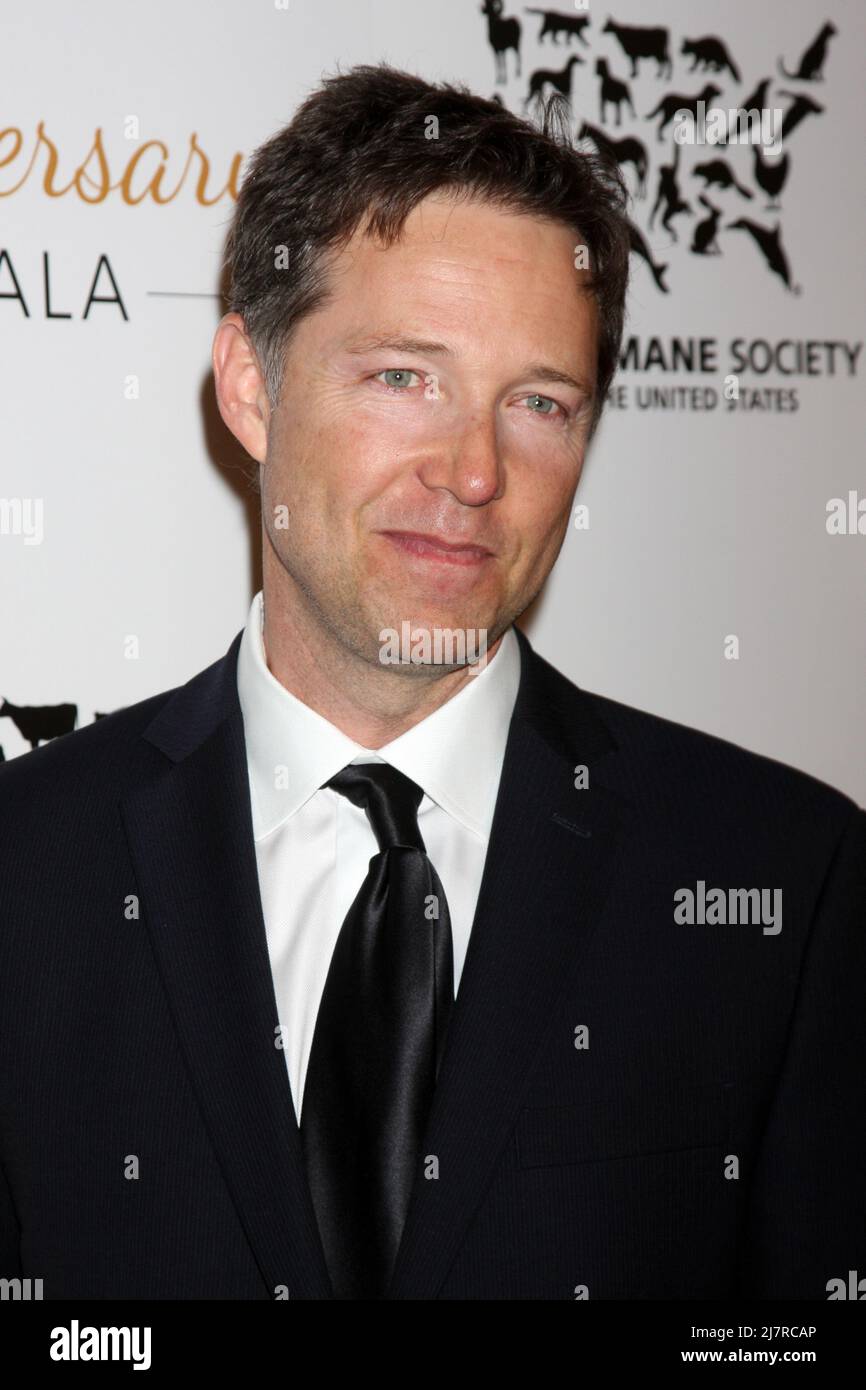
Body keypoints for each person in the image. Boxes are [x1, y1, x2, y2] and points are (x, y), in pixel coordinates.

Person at [0, 64, 863, 1302]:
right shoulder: (28, 868)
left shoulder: (784, 880)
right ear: (252, 384)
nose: (472, 472)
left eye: (539, 402)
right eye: (403, 376)